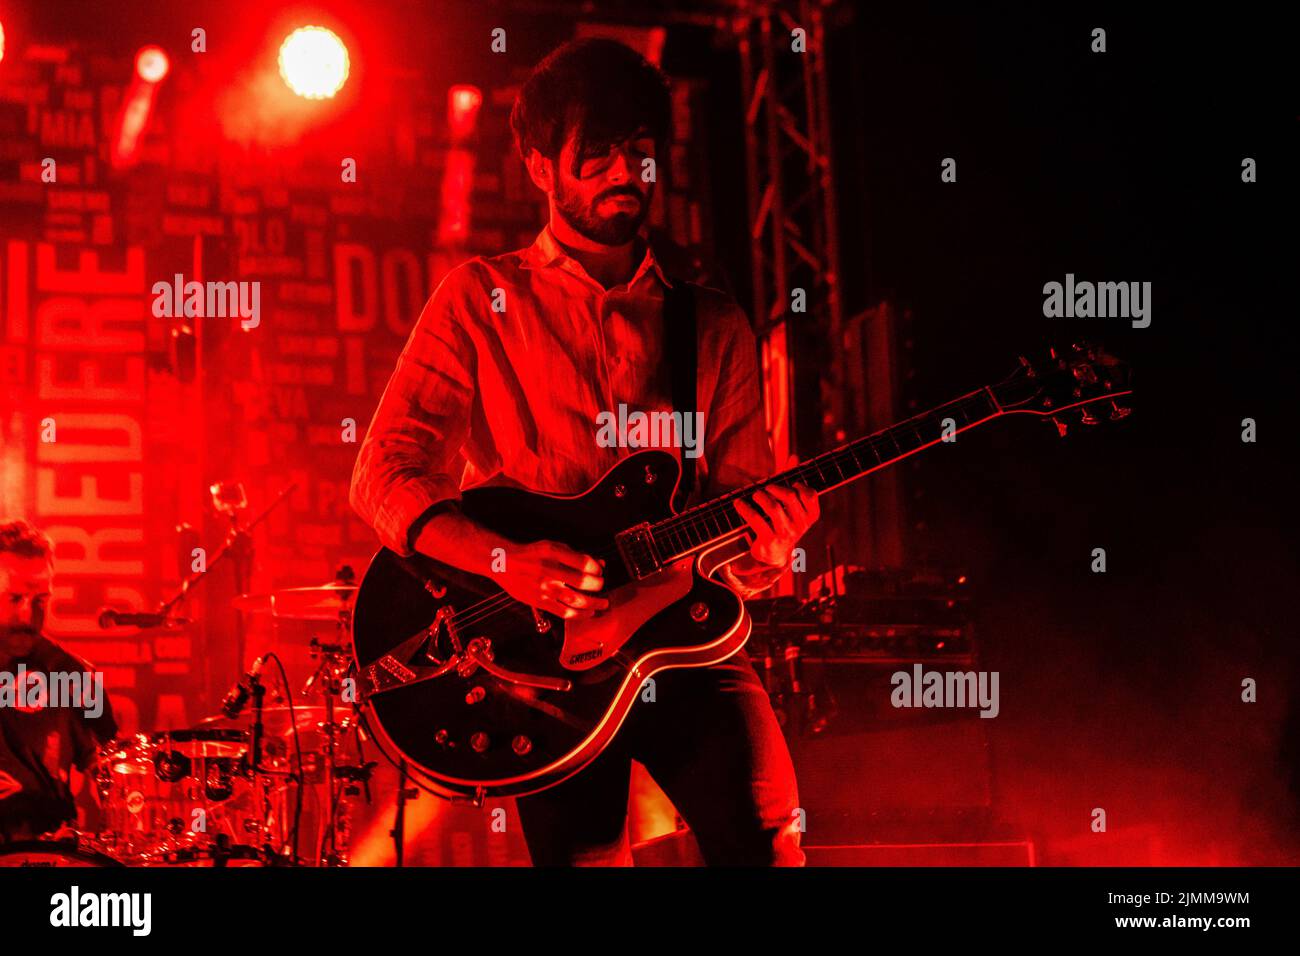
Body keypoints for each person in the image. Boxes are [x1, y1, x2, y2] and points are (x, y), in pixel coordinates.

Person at [350, 38, 820, 865]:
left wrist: (773, 548)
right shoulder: (478, 299)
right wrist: (503, 561)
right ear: (540, 167)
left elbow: (743, 520)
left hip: (686, 632)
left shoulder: (711, 321)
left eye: (641, 154)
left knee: (769, 843)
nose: (625, 175)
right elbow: (383, 471)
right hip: (539, 659)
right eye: (596, 155)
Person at [0, 520, 117, 842]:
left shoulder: (73, 676)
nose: (28, 616)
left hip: (50, 855)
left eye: (40, 600)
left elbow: (115, 768)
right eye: (14, 599)